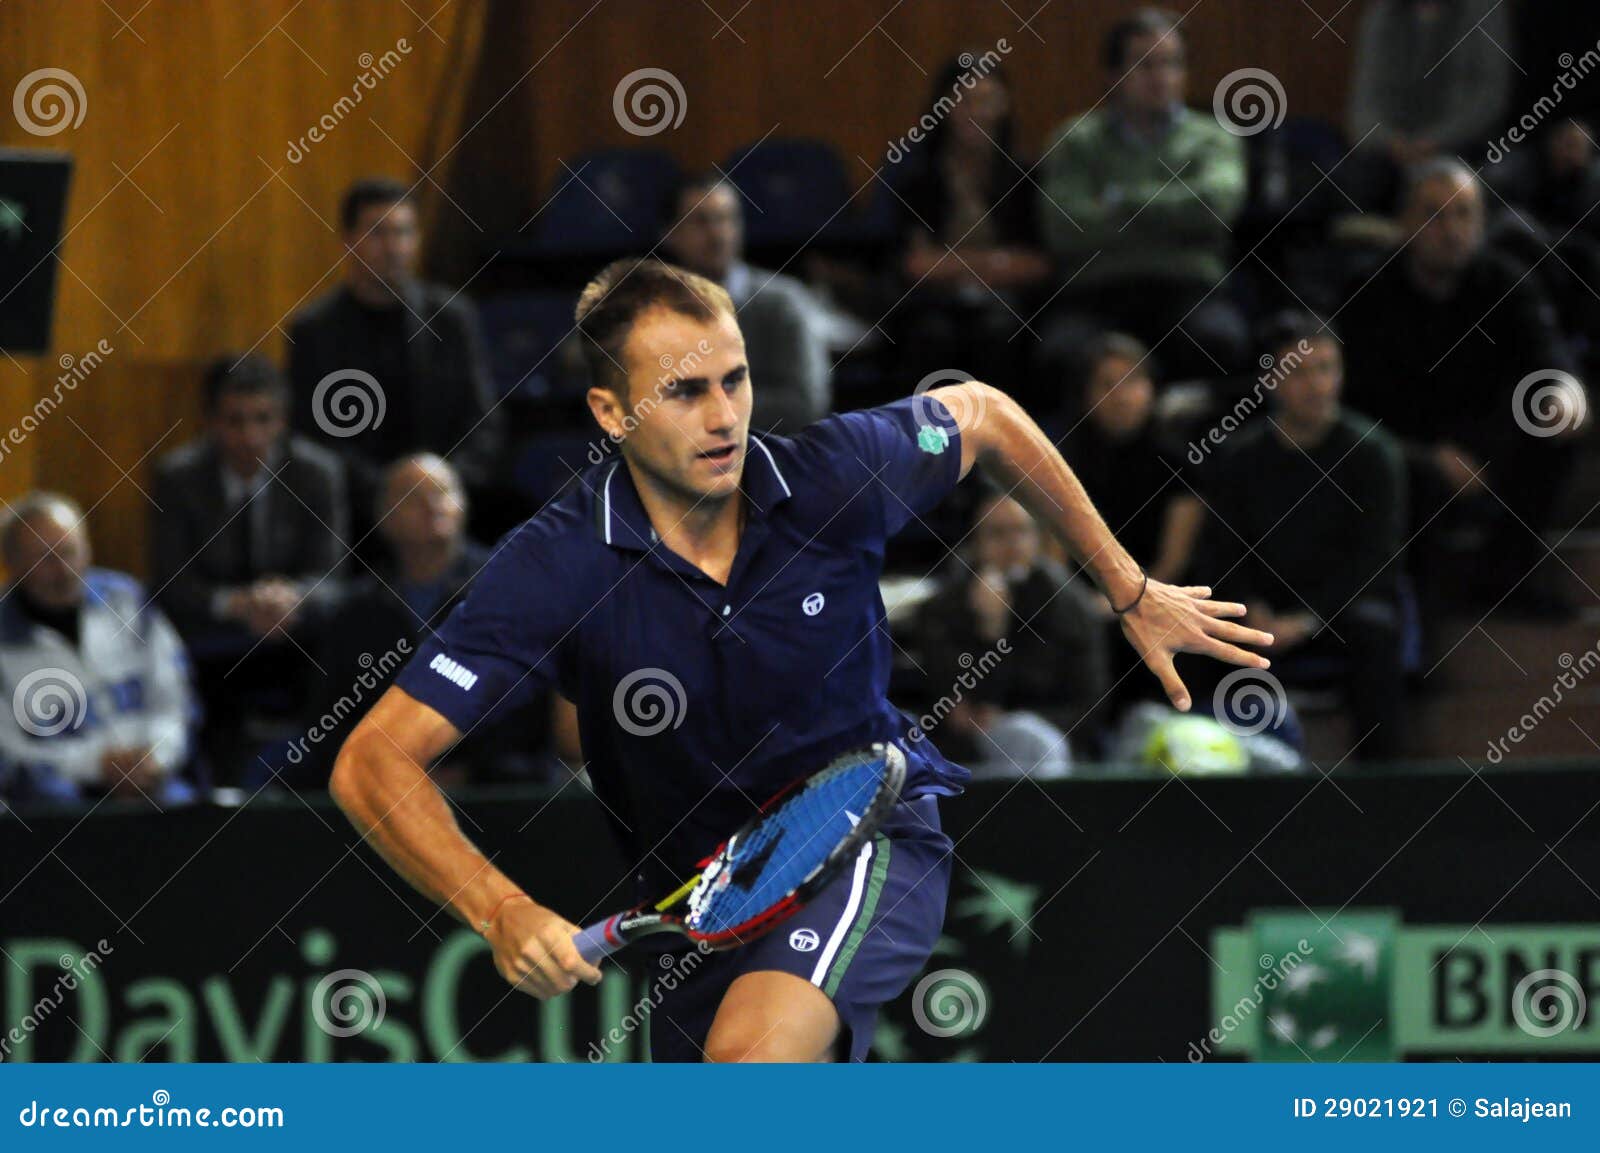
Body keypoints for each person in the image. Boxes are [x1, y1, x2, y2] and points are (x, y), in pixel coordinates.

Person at [329, 257, 1271, 1063]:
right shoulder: (553, 566)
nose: (723, 416)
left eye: (735, 381)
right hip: (699, 903)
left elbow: (981, 415)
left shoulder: (830, 474)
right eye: (685, 392)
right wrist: (498, 909)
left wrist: (1128, 584)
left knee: (750, 1067)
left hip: (869, 827)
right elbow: (372, 760)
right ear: (610, 411)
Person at [1340, 159, 1585, 616]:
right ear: (1405, 223)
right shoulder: (1369, 292)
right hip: (1404, 443)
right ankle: (1412, 610)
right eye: (1434, 215)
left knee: (1555, 426)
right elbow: (1356, 404)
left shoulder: (1506, 281)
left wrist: (1565, 392)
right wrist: (1427, 453)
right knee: (1383, 462)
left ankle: (1508, 581)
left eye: (1463, 214)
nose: (1450, 230)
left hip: (1488, 437)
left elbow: (1548, 356)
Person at [1195, 313, 1409, 760]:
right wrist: (1253, 607)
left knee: (1377, 631)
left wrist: (1309, 619)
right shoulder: (1240, 458)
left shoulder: (1373, 454)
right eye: (1300, 373)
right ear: (1271, 380)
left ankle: (1382, 779)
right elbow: (1224, 551)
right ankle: (1219, 776)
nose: (1317, 385)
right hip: (1261, 612)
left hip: (1340, 609)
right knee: (1196, 633)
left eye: (1327, 369)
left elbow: (1375, 560)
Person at [281, 455, 559, 789]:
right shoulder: (357, 612)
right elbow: (329, 722)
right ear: (383, 516)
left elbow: (530, 713)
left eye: (443, 492)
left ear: (463, 506)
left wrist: (471, 773)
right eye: (413, 495)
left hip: (493, 793)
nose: (432, 504)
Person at [151, 354, 347, 776]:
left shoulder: (317, 474)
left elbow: (333, 576)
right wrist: (237, 603)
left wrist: (290, 597)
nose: (250, 436)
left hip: (296, 634)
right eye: (234, 421)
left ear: (282, 419)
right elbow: (172, 583)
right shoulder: (178, 478)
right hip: (212, 641)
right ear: (211, 422)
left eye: (264, 419)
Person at [1036, 7, 1248, 381]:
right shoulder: (1077, 140)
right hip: (1098, 293)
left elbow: (1215, 209)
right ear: (1113, 75)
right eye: (1145, 65)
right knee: (1059, 353)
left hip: (1189, 288)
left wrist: (1119, 202)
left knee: (1220, 342)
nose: (1161, 78)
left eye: (1171, 64)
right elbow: (1065, 230)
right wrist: (1173, 215)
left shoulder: (1213, 138)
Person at [287, 177, 504, 537]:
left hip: (447, 509)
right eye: (377, 233)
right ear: (347, 241)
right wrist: (392, 492)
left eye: (403, 233)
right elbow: (310, 437)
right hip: (356, 517)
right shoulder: (314, 330)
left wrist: (438, 485)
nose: (393, 248)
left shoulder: (452, 318)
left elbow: (484, 420)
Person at [0, 494, 196, 807]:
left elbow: (176, 701)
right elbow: (10, 753)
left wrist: (155, 757)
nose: (63, 570)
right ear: (12, 562)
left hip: (154, 783)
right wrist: (96, 766)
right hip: (58, 803)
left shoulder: (128, 602)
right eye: (45, 558)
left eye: (69, 552)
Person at [1056, 333, 1204, 715]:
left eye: (1134, 381)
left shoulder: (1179, 463)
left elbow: (1174, 562)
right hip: (1081, 603)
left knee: (1152, 628)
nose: (1123, 395)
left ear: (1152, 390)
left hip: (1156, 594)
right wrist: (1086, 604)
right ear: (1087, 394)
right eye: (1108, 384)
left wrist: (1130, 600)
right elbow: (1053, 561)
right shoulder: (1062, 463)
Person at [909, 492, 1108, 775]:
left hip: (1052, 745)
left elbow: (1089, 707)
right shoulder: (943, 610)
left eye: (1021, 532)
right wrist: (991, 633)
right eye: (997, 534)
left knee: (1027, 737)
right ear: (975, 545)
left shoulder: (1070, 606)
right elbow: (953, 712)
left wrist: (1011, 719)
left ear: (1038, 540)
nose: (1012, 545)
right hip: (968, 753)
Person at [894, 56, 1051, 406]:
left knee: (1001, 330)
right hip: (933, 303)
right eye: (964, 100)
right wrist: (996, 262)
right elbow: (916, 265)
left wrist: (956, 263)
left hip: (1008, 303)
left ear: (1005, 107)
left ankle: (1001, 443)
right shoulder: (916, 177)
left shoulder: (1025, 176)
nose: (976, 113)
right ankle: (927, 446)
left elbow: (1039, 263)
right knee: (931, 335)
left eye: (987, 100)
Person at [662, 173, 831, 432]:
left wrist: (702, 406)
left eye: (726, 219)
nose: (717, 233)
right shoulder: (655, 310)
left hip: (772, 455)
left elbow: (805, 404)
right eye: (701, 221)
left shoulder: (783, 302)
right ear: (671, 234)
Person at [1343, 0, 1512, 211]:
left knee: (1489, 182)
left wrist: (1434, 141)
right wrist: (1391, 142)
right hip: (1392, 150)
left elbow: (1489, 99)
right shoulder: (1382, 12)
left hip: (1463, 145)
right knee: (1352, 182)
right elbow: (1363, 104)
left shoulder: (1484, 10)